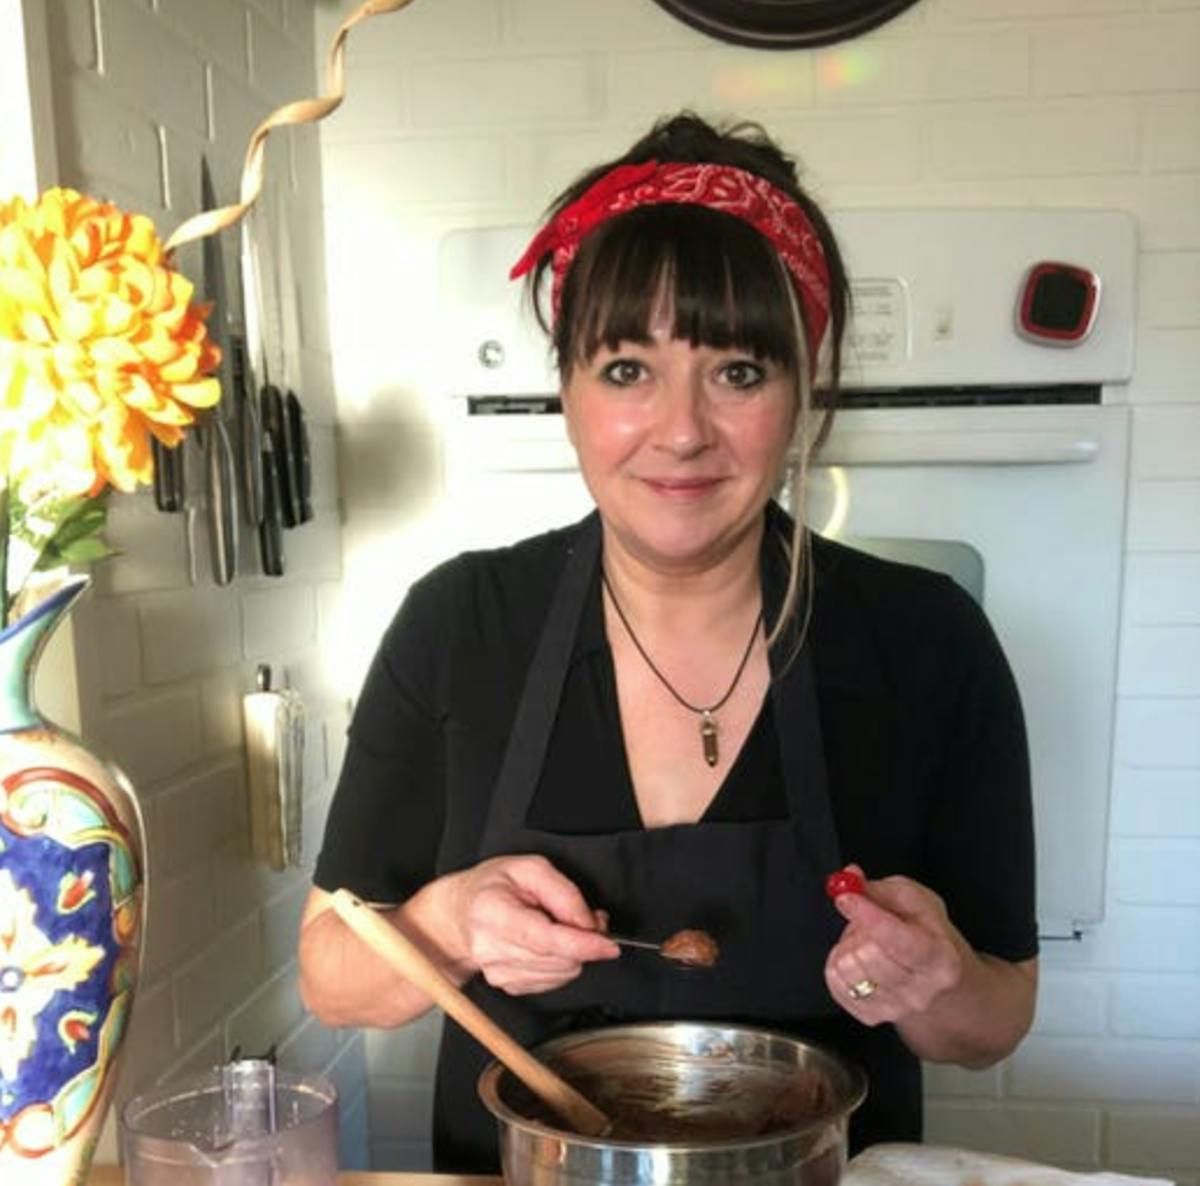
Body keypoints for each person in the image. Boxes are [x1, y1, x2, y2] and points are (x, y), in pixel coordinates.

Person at [298, 112, 1038, 1171]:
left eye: (737, 371)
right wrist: (448, 924)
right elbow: (331, 972)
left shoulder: (929, 642)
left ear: (803, 390)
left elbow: (994, 1021)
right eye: (626, 369)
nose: (682, 430)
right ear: (567, 389)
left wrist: (941, 979)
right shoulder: (459, 626)